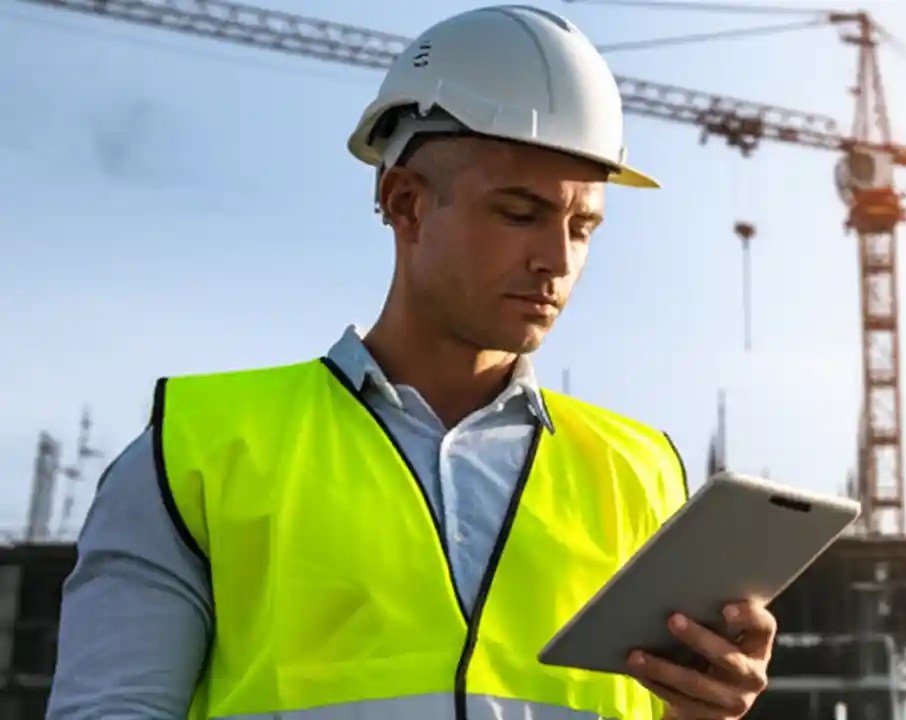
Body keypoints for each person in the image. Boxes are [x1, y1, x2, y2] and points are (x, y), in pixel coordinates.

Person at [47, 5, 776, 720]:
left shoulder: (641, 472)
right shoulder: (196, 454)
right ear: (406, 205)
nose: (557, 260)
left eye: (582, 225)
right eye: (520, 213)